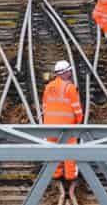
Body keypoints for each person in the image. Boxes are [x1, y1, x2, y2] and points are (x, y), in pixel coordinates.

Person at [42, 60, 83, 205]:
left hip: (50, 126)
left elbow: (44, 107)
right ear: (64, 73)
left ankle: (56, 173)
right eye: (69, 71)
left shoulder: (48, 87)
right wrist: (78, 121)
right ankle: (70, 176)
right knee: (69, 152)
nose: (71, 73)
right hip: (67, 127)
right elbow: (77, 108)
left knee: (54, 151)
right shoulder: (70, 88)